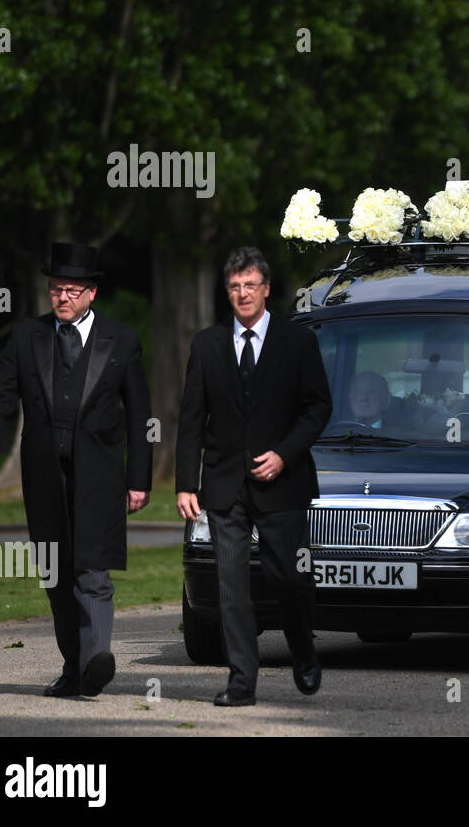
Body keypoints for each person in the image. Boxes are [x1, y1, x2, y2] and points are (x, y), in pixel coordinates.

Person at [0, 242, 152, 697]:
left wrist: (139, 479)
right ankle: (75, 669)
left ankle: (96, 660)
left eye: (72, 289)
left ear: (92, 293)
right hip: (44, 478)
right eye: (56, 289)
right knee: (56, 574)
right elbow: (0, 399)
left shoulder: (122, 340)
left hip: (100, 476)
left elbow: (139, 416)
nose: (63, 297)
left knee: (92, 571)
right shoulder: (25, 337)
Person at [175, 247, 332, 706]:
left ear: (266, 289)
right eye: (234, 287)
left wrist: (283, 455)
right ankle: (242, 680)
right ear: (228, 293)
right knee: (231, 588)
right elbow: (190, 419)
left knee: (288, 579)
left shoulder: (297, 342)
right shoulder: (206, 345)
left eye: (250, 285)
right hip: (224, 486)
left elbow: (317, 407)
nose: (242, 294)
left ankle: (303, 651)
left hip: (283, 485)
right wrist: (187, 483)